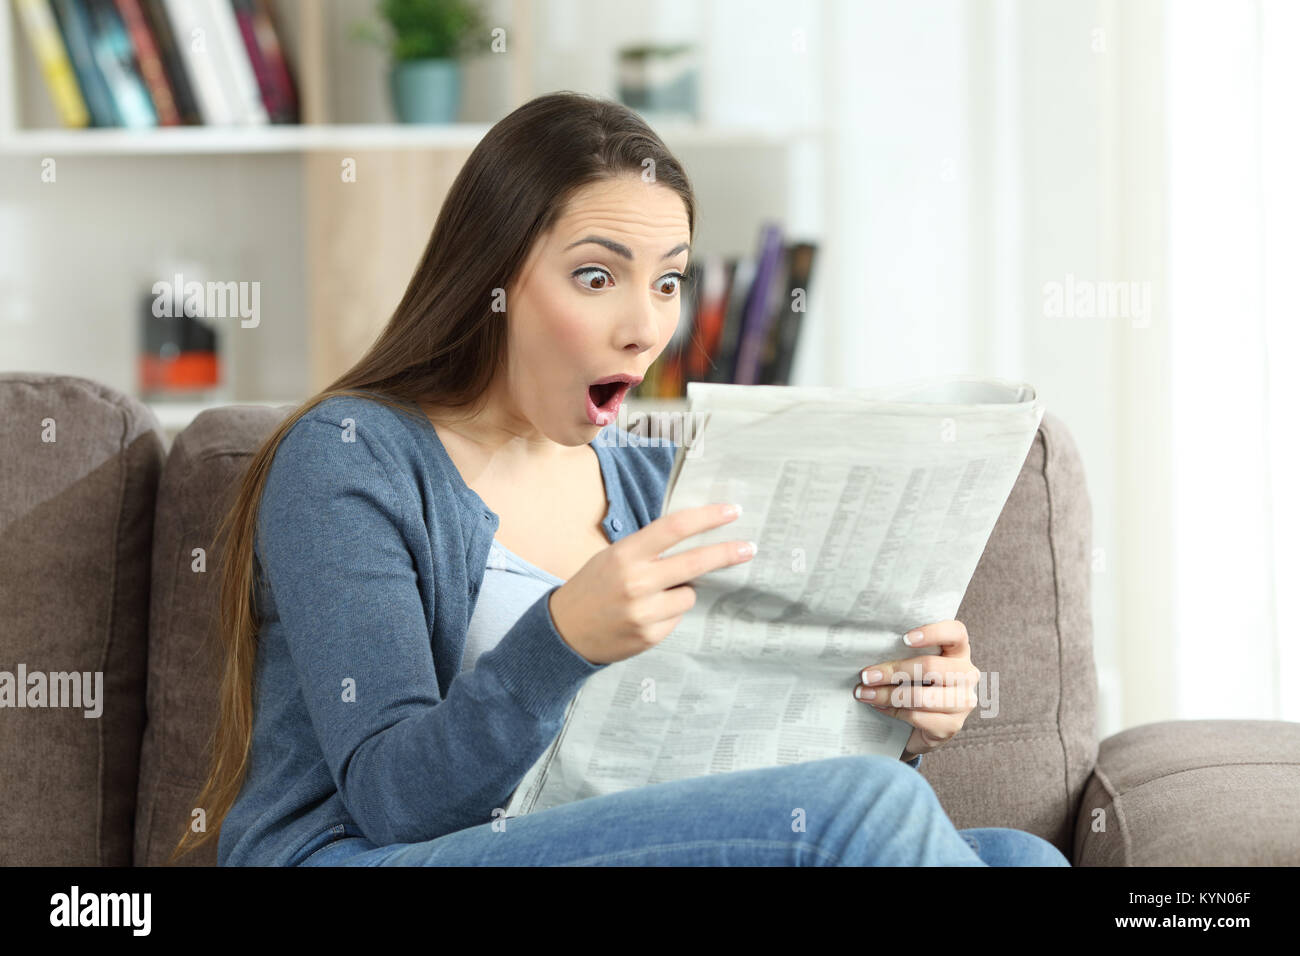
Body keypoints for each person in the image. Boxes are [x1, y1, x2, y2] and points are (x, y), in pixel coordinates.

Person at [176, 91, 1068, 867]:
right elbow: (395, 800)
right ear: (491, 280)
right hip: (369, 855)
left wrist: (890, 712)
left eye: (670, 282)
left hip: (580, 837)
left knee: (1016, 857)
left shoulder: (652, 482)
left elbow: (701, 769)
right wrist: (560, 638)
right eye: (596, 276)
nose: (646, 329)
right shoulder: (350, 455)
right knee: (871, 818)